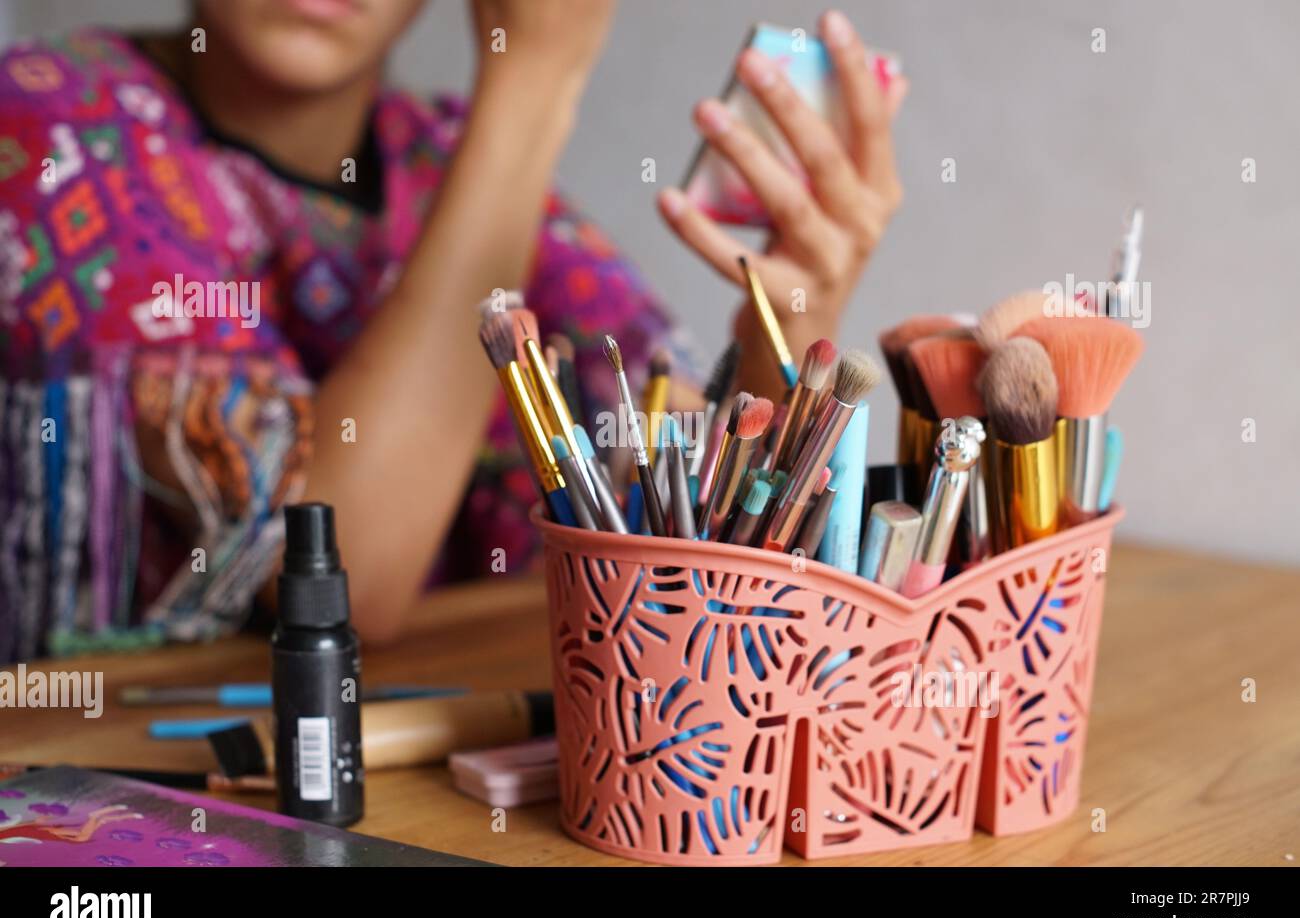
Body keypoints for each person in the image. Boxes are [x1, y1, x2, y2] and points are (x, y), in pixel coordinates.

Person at [0, 1, 906, 659]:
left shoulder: (443, 152)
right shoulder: (53, 121)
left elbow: (664, 522)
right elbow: (335, 578)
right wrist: (537, 74)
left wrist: (788, 317)